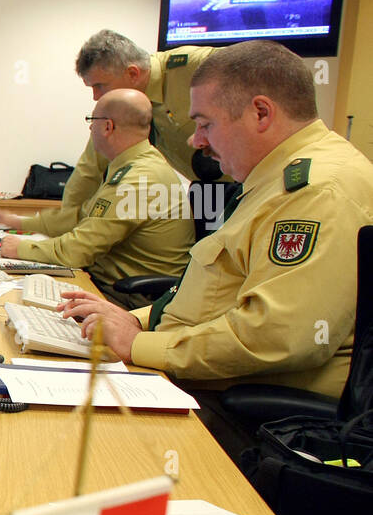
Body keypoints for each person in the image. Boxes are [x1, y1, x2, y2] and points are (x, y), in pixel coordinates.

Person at [59, 40, 373, 404]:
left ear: (260, 113)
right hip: (200, 373)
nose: (196, 141)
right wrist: (137, 321)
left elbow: (276, 337)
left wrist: (140, 344)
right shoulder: (269, 178)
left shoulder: (315, 192)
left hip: (247, 406)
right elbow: (215, 295)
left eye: (206, 124)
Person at [0, 30, 219, 235]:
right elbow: (88, 170)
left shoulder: (195, 66)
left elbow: (251, 69)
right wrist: (66, 223)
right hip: (207, 188)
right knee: (208, 262)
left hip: (246, 184)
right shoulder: (116, 113)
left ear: (132, 73)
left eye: (100, 86)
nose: (96, 96)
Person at [0, 89, 193, 307]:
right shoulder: (134, 165)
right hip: (112, 285)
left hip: (128, 298)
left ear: (107, 126)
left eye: (92, 121)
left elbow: (79, 250)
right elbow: (82, 218)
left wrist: (20, 248)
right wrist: (24, 224)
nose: (91, 128)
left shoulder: (139, 179)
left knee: (16, 306)